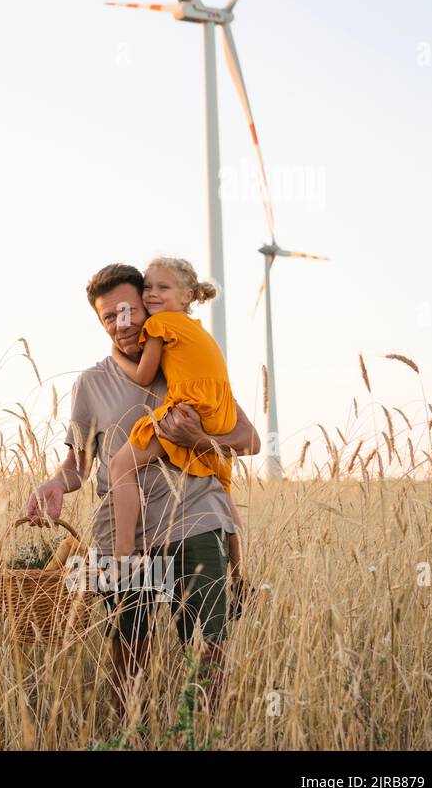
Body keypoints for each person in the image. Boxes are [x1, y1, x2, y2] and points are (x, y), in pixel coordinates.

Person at [26, 263, 260, 722]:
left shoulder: (185, 359)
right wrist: (56, 484)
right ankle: (129, 733)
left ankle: (203, 735)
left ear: (148, 305)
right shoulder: (90, 384)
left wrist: (198, 442)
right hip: (122, 536)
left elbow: (249, 440)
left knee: (209, 646)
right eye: (109, 317)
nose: (123, 323)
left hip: (196, 518)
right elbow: (77, 466)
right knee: (127, 652)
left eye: (130, 310)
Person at [106, 257, 245, 581]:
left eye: (163, 287)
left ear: (188, 297)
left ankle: (123, 554)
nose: (152, 294)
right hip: (217, 411)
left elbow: (143, 376)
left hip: (188, 410)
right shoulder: (196, 330)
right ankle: (239, 575)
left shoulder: (159, 325)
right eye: (149, 287)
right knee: (223, 492)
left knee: (120, 466)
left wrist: (116, 358)